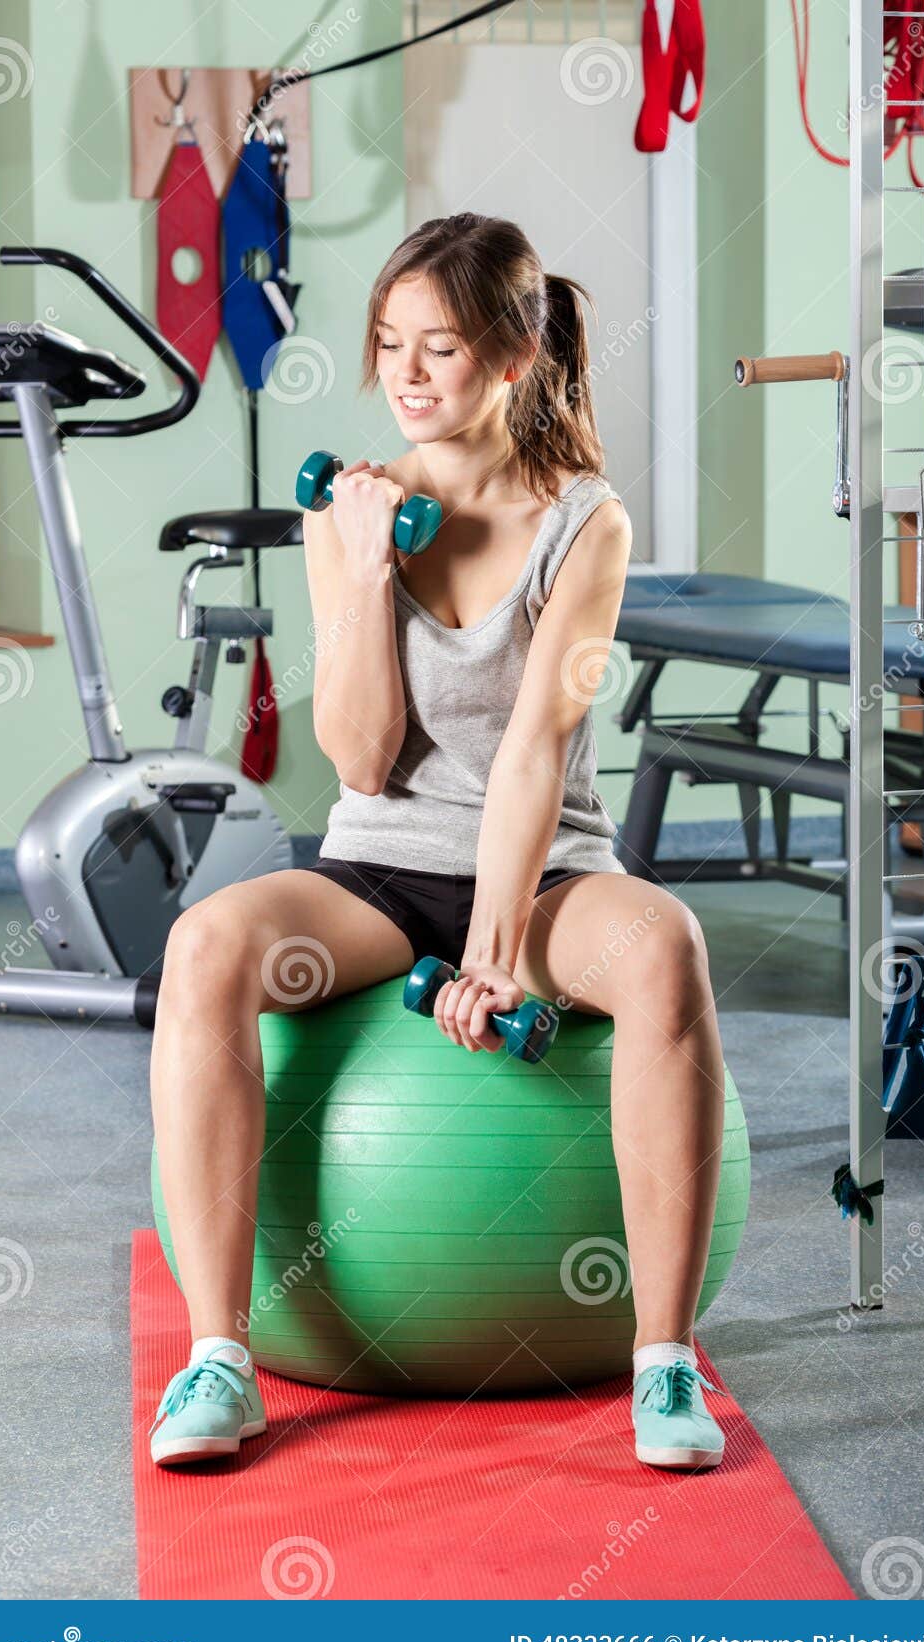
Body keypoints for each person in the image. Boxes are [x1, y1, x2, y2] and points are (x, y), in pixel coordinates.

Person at [149, 212, 727, 1472]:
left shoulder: (586, 524)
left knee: (665, 950)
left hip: (548, 863)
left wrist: (497, 952)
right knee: (203, 949)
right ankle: (220, 1359)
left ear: (512, 359)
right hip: (374, 865)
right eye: (387, 342)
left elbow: (531, 751)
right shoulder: (349, 510)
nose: (403, 374)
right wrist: (362, 568)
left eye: (440, 348)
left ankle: (663, 1363)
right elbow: (359, 760)